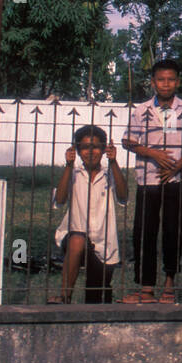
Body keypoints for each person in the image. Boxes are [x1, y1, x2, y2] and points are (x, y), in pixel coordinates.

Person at [121, 59, 182, 304]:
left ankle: (169, 283)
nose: (166, 84)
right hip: (148, 178)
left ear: (177, 82)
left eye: (171, 79)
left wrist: (178, 167)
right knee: (144, 231)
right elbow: (129, 141)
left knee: (172, 230)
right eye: (161, 79)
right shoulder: (141, 110)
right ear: (153, 82)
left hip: (176, 179)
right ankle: (146, 286)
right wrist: (154, 154)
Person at [51, 125, 127, 304]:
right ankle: (65, 296)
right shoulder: (74, 173)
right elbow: (60, 200)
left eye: (96, 147)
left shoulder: (110, 174)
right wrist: (68, 166)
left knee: (96, 300)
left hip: (104, 244)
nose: (90, 152)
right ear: (77, 151)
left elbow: (124, 197)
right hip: (74, 239)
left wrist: (114, 162)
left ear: (103, 150)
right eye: (85, 148)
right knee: (77, 239)